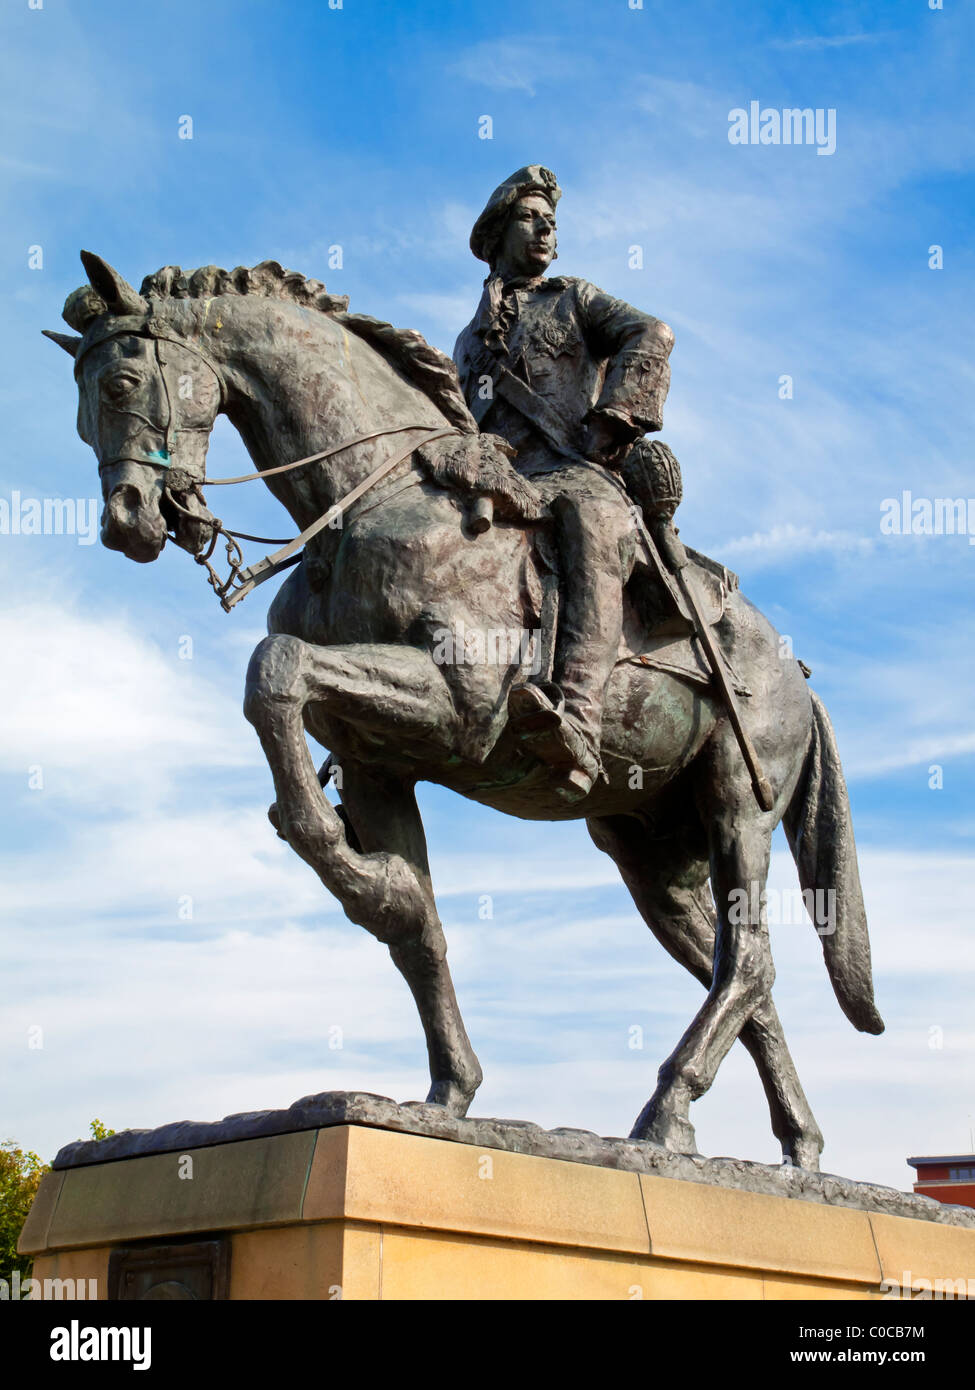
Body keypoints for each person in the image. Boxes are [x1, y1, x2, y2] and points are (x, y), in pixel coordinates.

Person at [453, 166, 675, 800]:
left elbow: (651, 332)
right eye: (531, 216)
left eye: (551, 219)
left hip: (571, 471)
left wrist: (616, 418)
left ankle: (577, 716)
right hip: (500, 481)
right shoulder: (468, 342)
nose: (546, 226)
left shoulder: (574, 297)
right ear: (496, 235)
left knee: (591, 520)